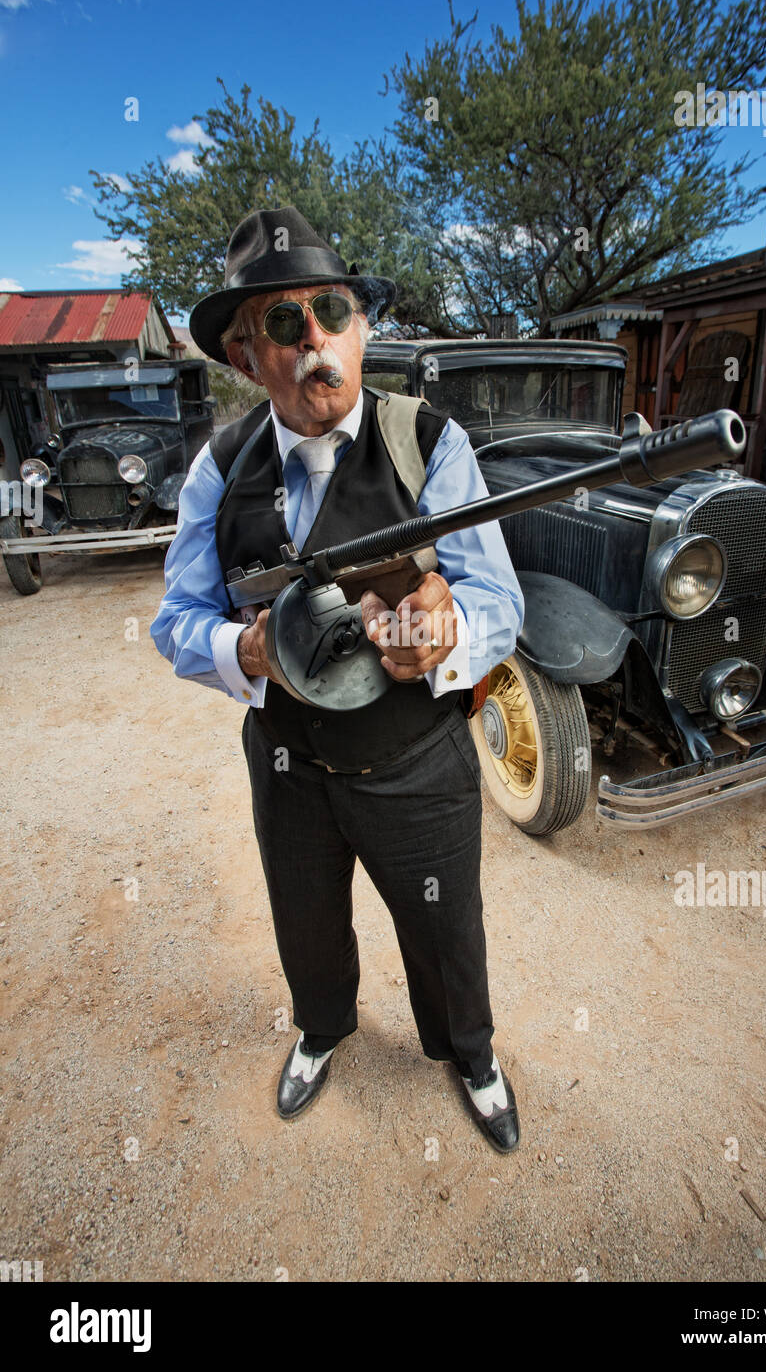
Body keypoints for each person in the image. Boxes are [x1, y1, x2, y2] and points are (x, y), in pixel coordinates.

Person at [151, 206, 525, 1153]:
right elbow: (176, 619)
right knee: (304, 920)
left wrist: (449, 630)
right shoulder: (219, 467)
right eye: (283, 322)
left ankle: (471, 1056)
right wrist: (247, 652)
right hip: (289, 765)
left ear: (361, 326)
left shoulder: (426, 441)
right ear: (246, 356)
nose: (313, 335)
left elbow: (500, 603)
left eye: (331, 309)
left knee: (448, 933)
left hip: (416, 762)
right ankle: (321, 1032)